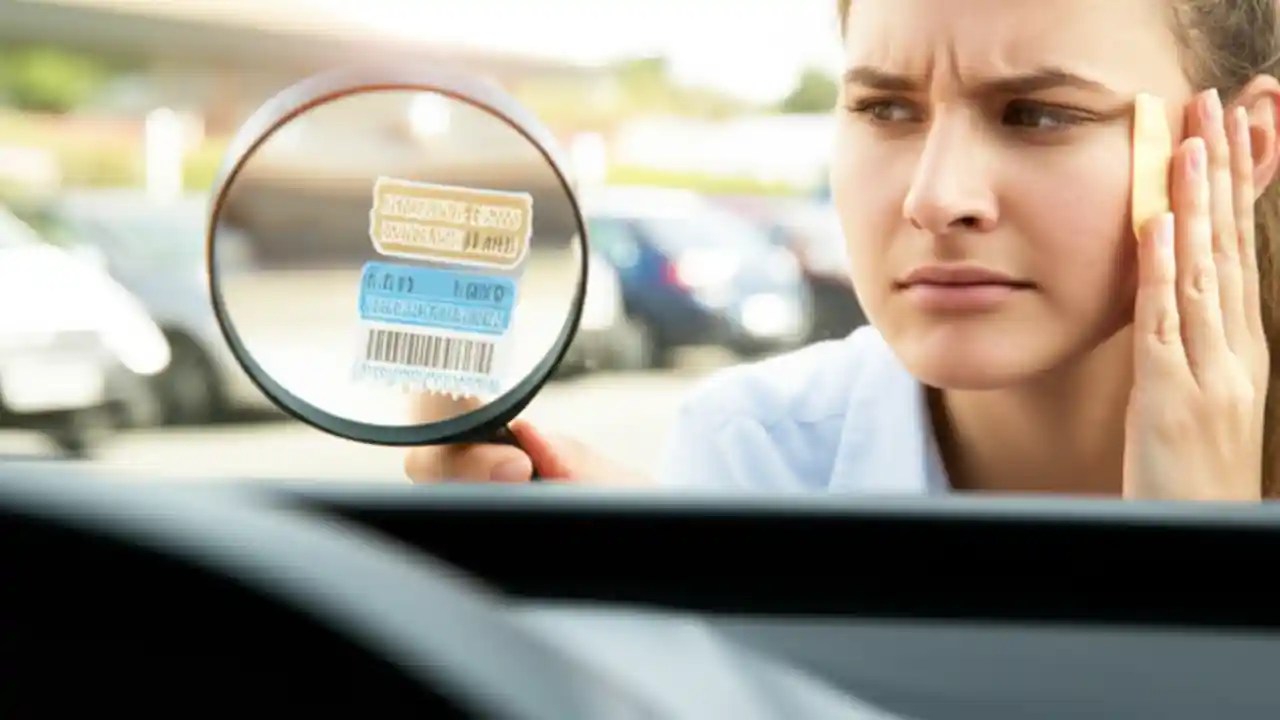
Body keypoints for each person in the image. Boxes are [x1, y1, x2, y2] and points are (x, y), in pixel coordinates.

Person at [406, 0, 1280, 501]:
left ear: (1247, 147)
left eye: (1039, 114)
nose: (935, 197)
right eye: (886, 109)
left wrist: (1202, 556)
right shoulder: (754, 457)